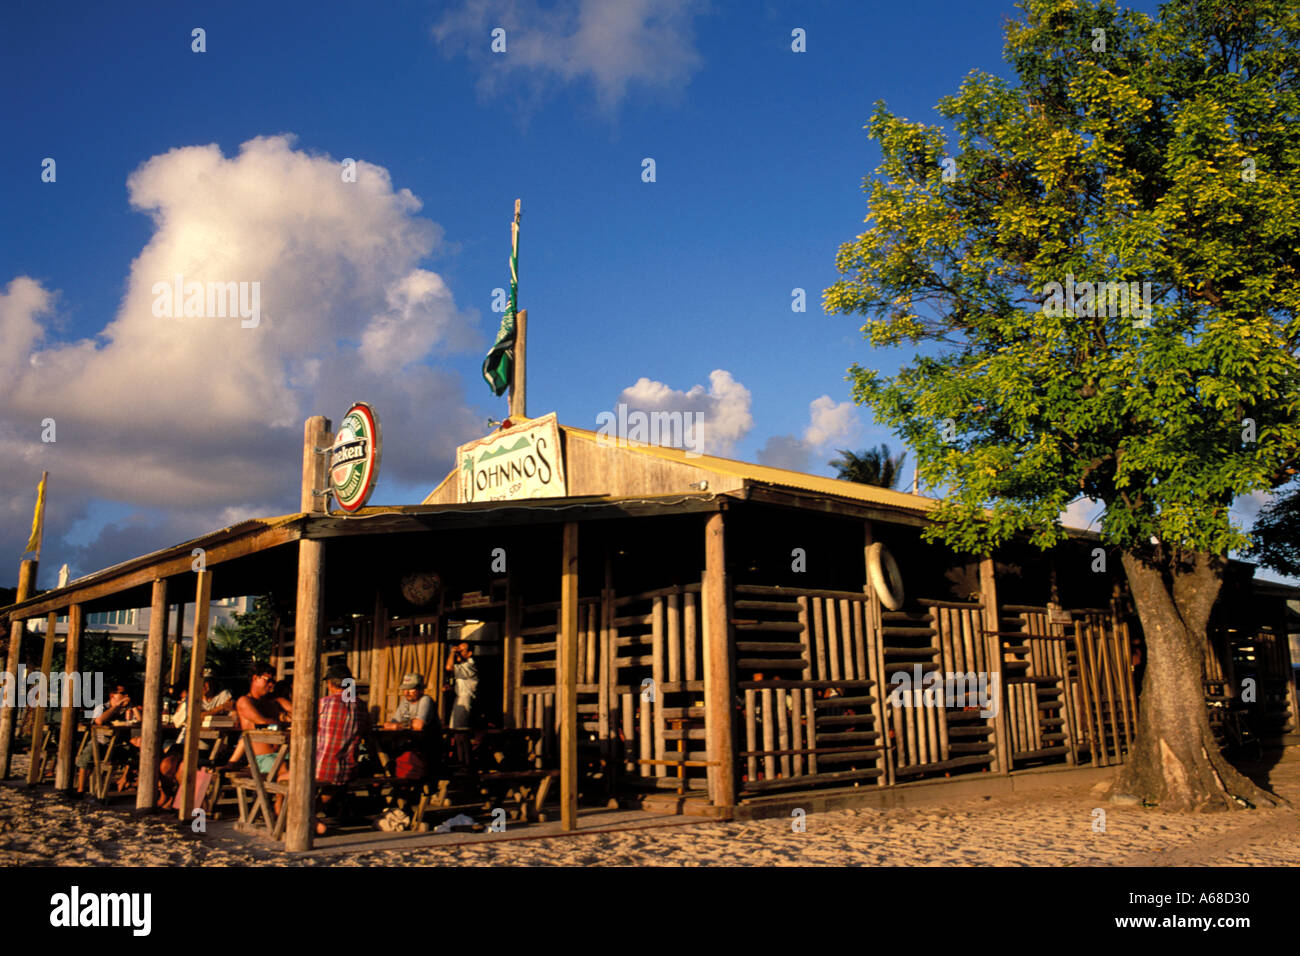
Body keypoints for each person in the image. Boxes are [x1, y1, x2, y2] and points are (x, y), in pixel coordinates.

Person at [314, 663, 368, 834]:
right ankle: (313, 820)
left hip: (322, 767)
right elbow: (368, 728)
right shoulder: (360, 705)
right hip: (348, 769)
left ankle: (286, 816)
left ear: (330, 683)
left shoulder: (324, 704)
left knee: (281, 777)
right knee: (331, 787)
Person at [75, 685, 132, 794]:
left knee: (137, 751)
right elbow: (99, 721)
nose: (126, 696)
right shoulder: (101, 707)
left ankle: (124, 780)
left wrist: (133, 706)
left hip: (120, 744)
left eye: (127, 693)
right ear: (112, 696)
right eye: (123, 693)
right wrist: (116, 707)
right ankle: (80, 789)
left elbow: (141, 720)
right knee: (88, 753)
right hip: (101, 743)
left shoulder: (127, 710)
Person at [382, 673, 440, 778]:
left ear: (420, 689)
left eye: (411, 689)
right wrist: (394, 725)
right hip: (408, 745)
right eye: (405, 689)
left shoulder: (425, 700)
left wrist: (398, 726)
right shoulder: (405, 701)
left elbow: (418, 725)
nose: (407, 692)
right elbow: (391, 723)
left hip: (425, 748)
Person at [445, 642, 477, 766]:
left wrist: (452, 653)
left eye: (461, 651)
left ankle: (465, 763)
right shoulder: (464, 666)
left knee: (461, 732)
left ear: (469, 653)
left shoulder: (469, 666)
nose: (458, 652)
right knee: (457, 733)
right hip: (460, 698)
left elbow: (449, 667)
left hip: (465, 700)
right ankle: (460, 761)